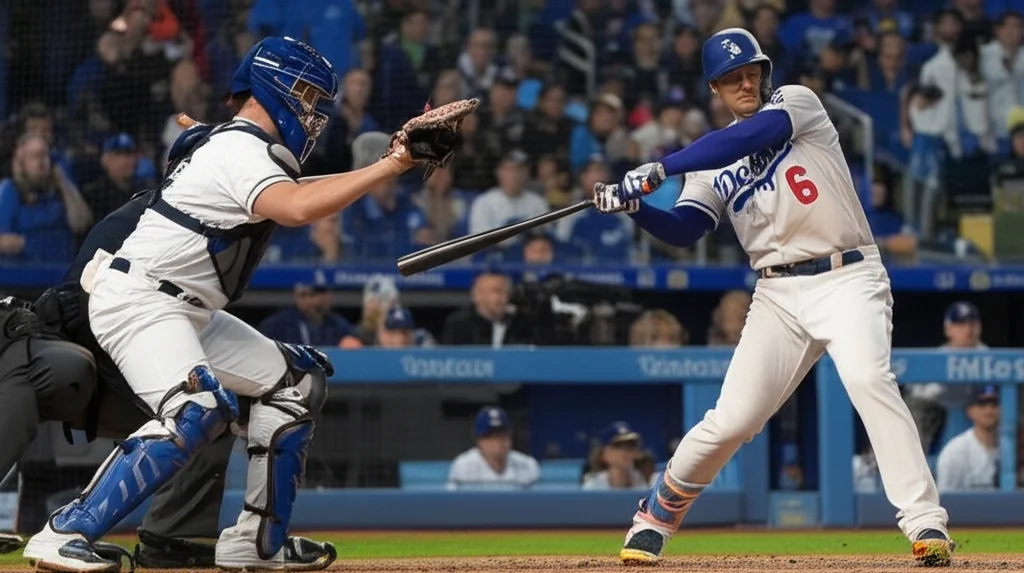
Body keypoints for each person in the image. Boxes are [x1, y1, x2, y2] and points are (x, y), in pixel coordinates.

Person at [22, 36, 471, 572]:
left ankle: (255, 544)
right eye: (303, 93)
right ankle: (64, 532)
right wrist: (394, 163)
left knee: (297, 382)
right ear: (267, 84)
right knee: (195, 408)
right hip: (140, 298)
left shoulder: (244, 148)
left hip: (187, 308)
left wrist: (387, 161)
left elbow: (297, 189)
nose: (313, 110)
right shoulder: (239, 147)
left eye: (317, 99)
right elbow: (298, 206)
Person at [592, 29, 953, 566]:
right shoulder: (709, 164)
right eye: (731, 78)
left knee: (869, 378)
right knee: (734, 420)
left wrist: (663, 166)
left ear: (763, 73)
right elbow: (686, 228)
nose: (745, 83)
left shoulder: (795, 103)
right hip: (777, 293)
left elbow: (745, 138)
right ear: (715, 87)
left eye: (751, 72)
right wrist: (634, 208)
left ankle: (925, 522)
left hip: (847, 275)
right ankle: (656, 514)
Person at [446, 407, 539, 489]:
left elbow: (539, 504)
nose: (499, 442)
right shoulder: (463, 466)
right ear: (478, 441)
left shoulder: (528, 465)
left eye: (503, 435)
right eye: (492, 437)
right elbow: (451, 505)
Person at [935, 385, 1001, 492]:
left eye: (994, 404)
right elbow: (945, 498)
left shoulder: (1014, 448)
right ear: (970, 410)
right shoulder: (955, 451)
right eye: (982, 405)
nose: (989, 410)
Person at [581, 422, 650, 491]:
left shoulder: (640, 480)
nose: (626, 452)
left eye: (631, 446)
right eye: (619, 446)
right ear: (604, 453)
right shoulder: (593, 485)